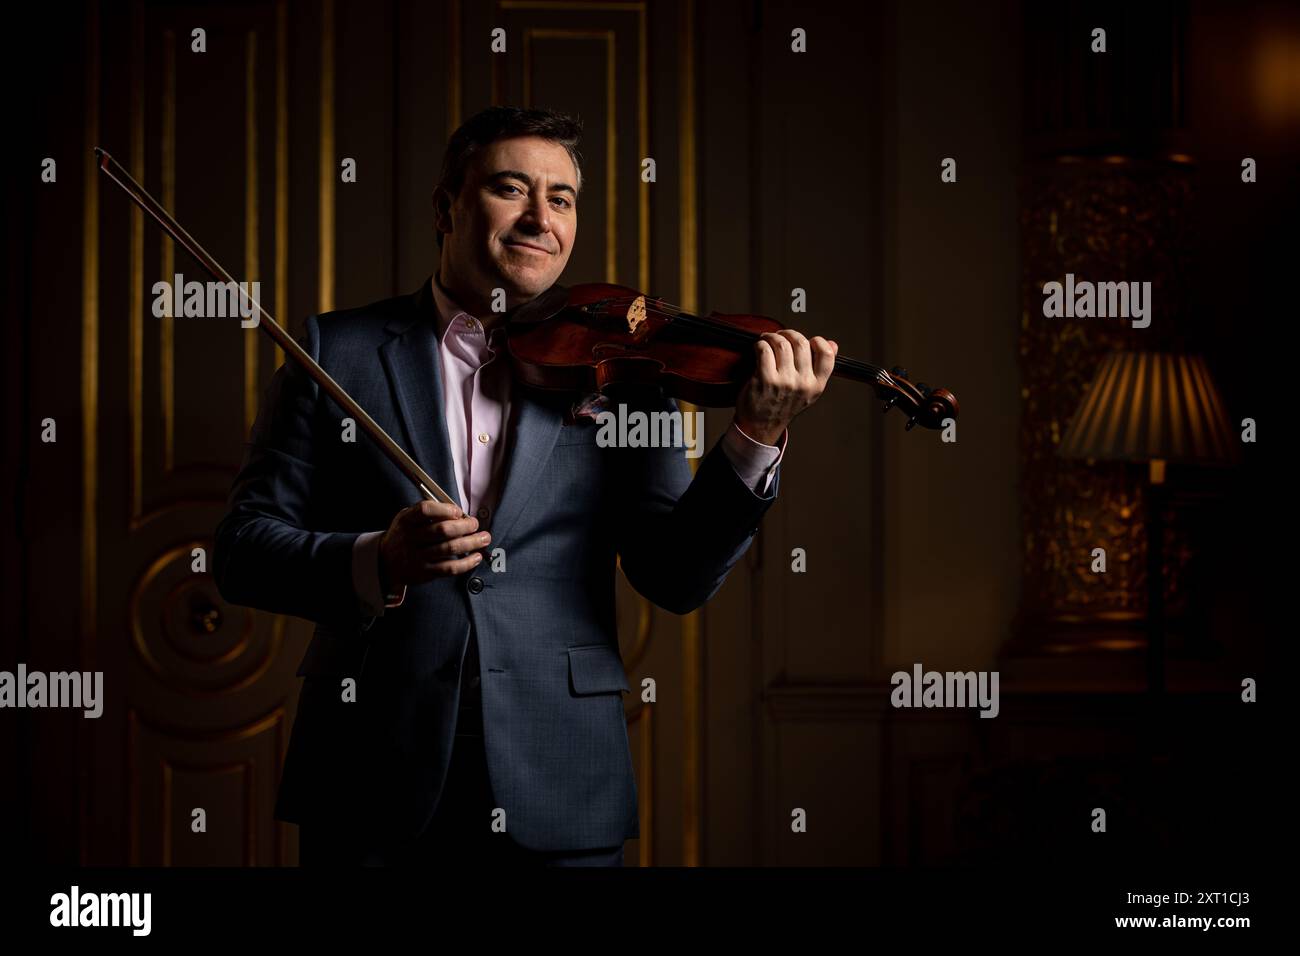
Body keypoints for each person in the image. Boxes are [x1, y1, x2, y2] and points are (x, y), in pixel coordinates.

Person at [213, 106, 836, 866]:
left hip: (561, 772)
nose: (541, 218)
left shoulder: (627, 372)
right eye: (512, 189)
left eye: (562, 199)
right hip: (370, 770)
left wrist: (756, 436)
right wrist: (377, 558)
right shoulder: (331, 350)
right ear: (447, 207)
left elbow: (673, 576)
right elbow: (242, 550)